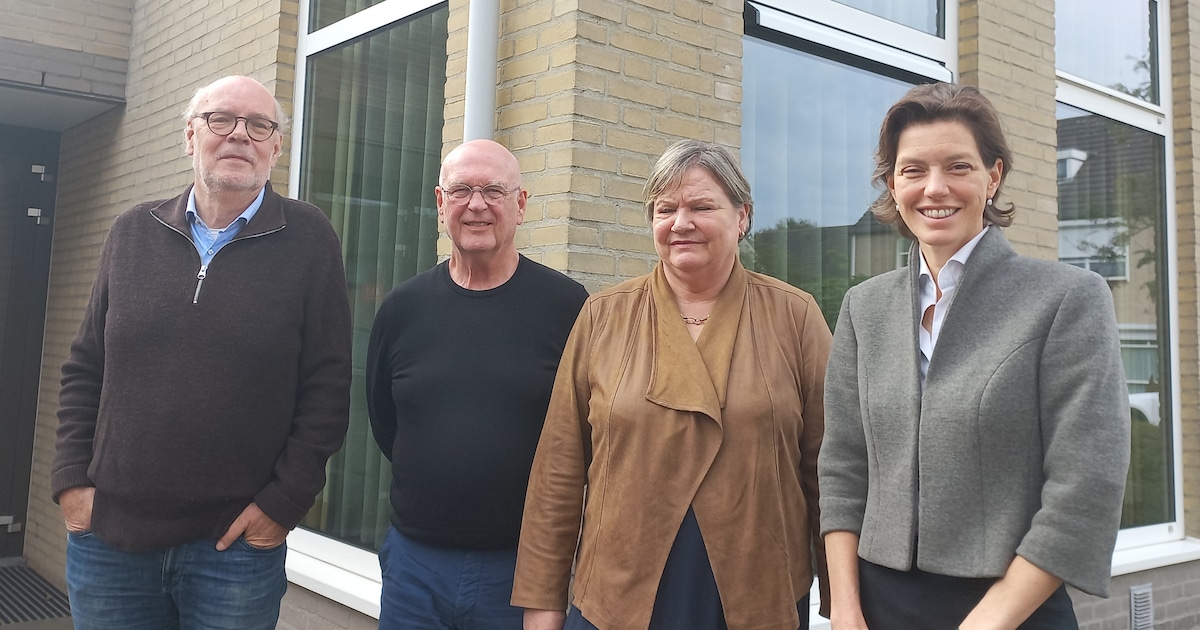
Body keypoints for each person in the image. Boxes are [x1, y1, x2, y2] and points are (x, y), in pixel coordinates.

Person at [819, 82, 1130, 630]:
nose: (934, 188)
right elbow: (844, 468)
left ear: (994, 176)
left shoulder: (1066, 299)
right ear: (893, 184)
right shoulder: (862, 308)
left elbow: (1087, 484)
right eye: (912, 170)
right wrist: (845, 613)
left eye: (958, 166)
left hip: (1012, 609)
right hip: (876, 606)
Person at [51, 75, 353, 629]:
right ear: (190, 136)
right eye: (221, 119)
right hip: (110, 541)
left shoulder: (309, 238)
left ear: (276, 146)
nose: (240, 134)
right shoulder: (131, 233)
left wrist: (281, 507)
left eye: (259, 125)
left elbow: (328, 388)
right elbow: (84, 368)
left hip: (233, 551)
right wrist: (72, 481)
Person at [513, 139, 832, 630]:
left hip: (755, 595)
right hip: (619, 595)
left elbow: (828, 470)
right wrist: (542, 604)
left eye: (701, 206)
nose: (681, 223)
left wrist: (842, 598)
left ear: (742, 216)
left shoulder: (794, 316)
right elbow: (558, 471)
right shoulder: (604, 315)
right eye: (666, 209)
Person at [365, 138, 589, 629]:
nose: (477, 205)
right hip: (413, 564)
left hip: (521, 568)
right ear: (441, 203)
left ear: (521, 205)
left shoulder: (569, 308)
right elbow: (386, 419)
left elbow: (588, 434)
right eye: (462, 190)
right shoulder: (403, 308)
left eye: (493, 190)